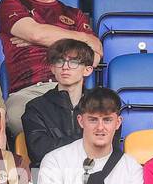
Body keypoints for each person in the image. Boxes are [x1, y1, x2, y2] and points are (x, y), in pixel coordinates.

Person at [0, 0, 100, 136]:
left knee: (100, 121)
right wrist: (81, 39)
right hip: (28, 91)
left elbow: (94, 57)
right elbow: (36, 34)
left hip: (71, 91)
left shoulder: (75, 14)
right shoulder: (11, 4)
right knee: (23, 119)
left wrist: (44, 36)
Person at [21, 39, 96, 169]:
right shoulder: (36, 107)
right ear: (52, 68)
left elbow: (107, 149)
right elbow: (39, 152)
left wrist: (57, 143)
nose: (65, 67)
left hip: (93, 173)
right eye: (60, 61)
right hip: (49, 175)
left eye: (73, 62)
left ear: (88, 70)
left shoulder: (101, 105)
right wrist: (87, 141)